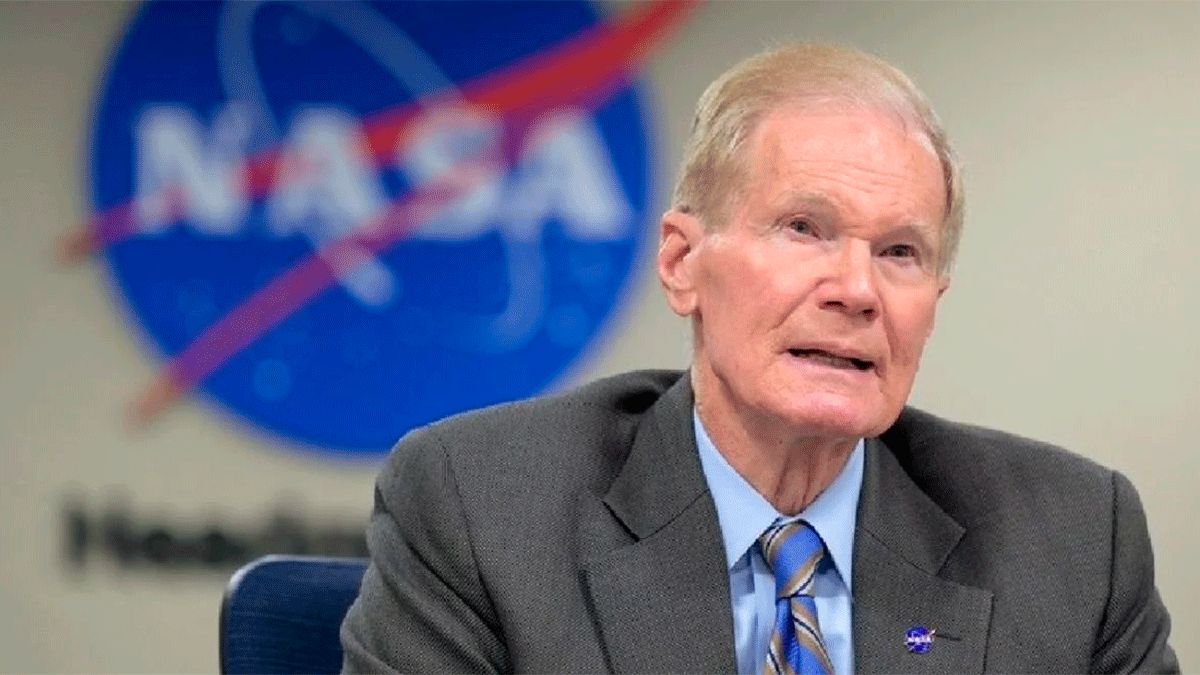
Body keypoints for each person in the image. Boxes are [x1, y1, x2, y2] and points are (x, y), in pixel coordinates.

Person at [340, 43, 1177, 673]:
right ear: (681, 264)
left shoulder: (1070, 538)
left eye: (899, 252)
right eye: (804, 229)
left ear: (933, 303)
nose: (856, 289)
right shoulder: (482, 507)